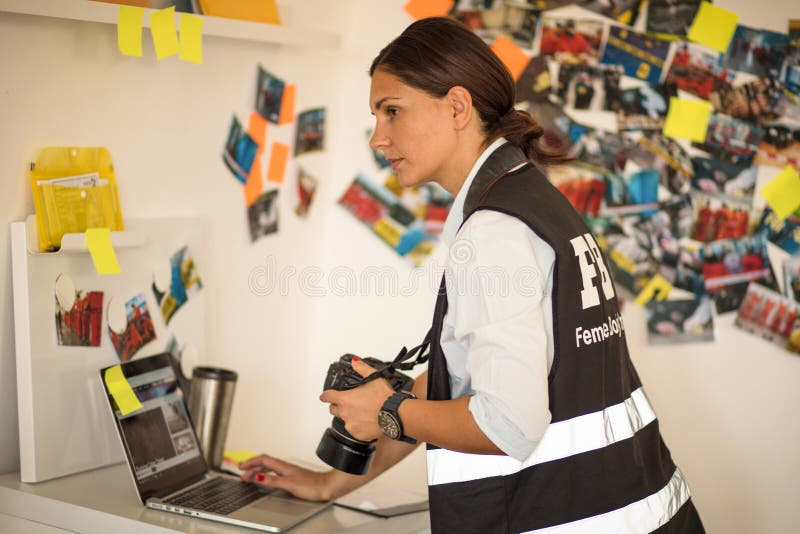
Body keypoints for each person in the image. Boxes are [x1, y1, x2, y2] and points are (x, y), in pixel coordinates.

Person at [240, 17, 704, 533]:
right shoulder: (530, 198)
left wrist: (388, 408)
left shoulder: (495, 232)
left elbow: (509, 425)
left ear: (458, 107)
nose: (378, 138)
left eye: (392, 111)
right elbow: (460, 383)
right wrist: (331, 482)